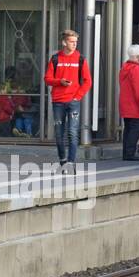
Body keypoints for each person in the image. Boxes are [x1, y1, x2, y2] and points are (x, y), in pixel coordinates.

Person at [43, 29, 91, 171]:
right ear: (64, 42)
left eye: (76, 42)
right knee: (59, 133)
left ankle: (70, 162)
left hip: (73, 101)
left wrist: (78, 96)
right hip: (58, 101)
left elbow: (88, 81)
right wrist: (60, 82)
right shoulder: (55, 58)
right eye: (71, 41)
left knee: (72, 132)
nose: (74, 44)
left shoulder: (81, 59)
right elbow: (47, 79)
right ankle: (62, 159)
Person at [118, 44, 139, 161]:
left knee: (128, 130)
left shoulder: (124, 68)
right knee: (135, 130)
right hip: (135, 106)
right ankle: (130, 154)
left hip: (126, 105)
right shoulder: (136, 70)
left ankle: (126, 153)